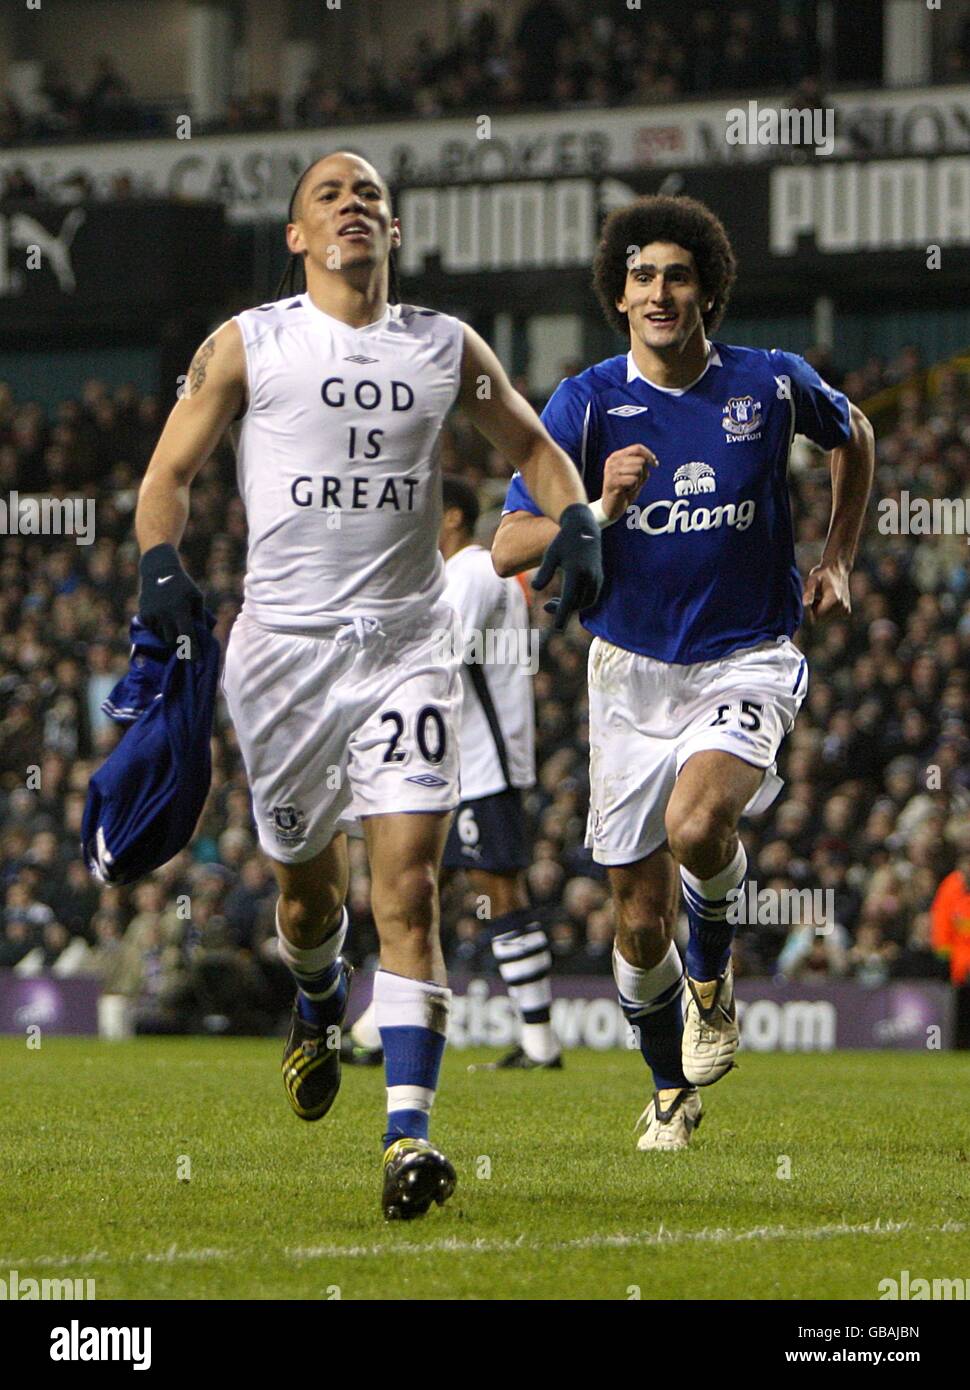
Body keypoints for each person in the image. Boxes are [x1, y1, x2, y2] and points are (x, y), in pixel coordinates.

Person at [132, 150, 602, 1219]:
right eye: (329, 197)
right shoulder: (248, 341)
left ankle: (406, 1139)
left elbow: (532, 444)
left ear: (393, 231)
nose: (354, 207)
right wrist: (161, 566)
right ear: (297, 236)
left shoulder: (445, 346)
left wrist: (575, 515)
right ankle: (312, 996)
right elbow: (166, 476)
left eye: (371, 197)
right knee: (308, 894)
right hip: (281, 659)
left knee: (406, 889)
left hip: (405, 648)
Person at [493, 194, 874, 1151]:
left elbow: (854, 437)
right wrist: (599, 511)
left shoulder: (771, 386)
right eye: (641, 277)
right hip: (628, 674)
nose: (659, 293)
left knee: (697, 824)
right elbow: (508, 545)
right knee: (632, 918)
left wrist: (838, 559)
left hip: (746, 653)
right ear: (619, 297)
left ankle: (713, 977)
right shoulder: (583, 404)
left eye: (677, 275)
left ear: (708, 290)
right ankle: (670, 1089)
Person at [346, 474, 562, 1072]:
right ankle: (377, 1025)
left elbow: (441, 651)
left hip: (481, 763)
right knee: (417, 889)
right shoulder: (450, 576)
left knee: (498, 889)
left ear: (453, 518)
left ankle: (541, 1042)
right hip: (450, 762)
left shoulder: (475, 569)